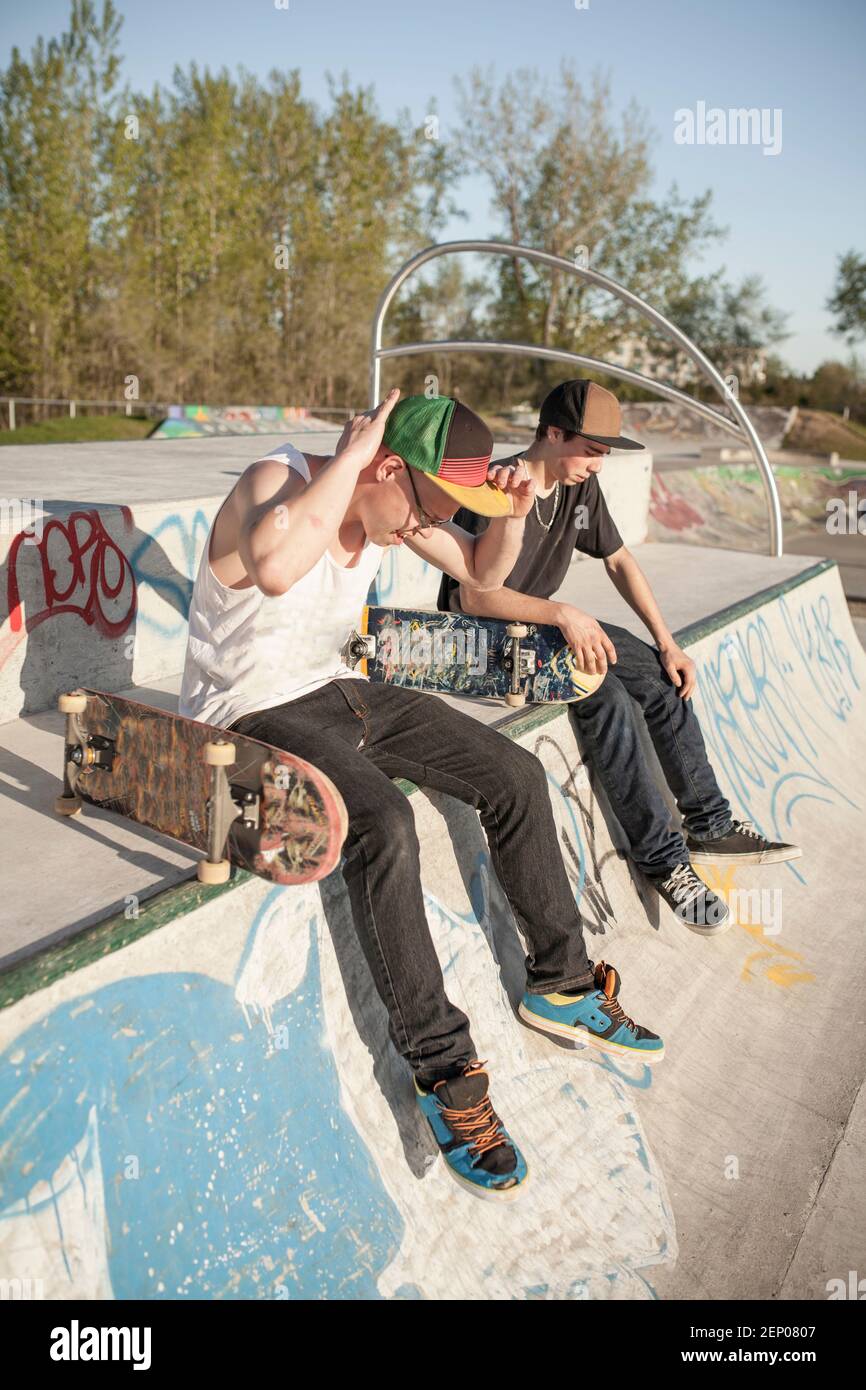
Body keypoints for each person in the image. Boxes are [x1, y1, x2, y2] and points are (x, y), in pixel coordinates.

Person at [179, 390, 663, 1201]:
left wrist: (511, 514)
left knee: (514, 775)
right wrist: (347, 459)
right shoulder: (276, 482)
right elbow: (275, 567)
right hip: (247, 713)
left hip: (340, 688)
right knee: (384, 821)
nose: (417, 531)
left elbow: (480, 574)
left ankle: (563, 984)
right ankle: (445, 1074)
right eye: (422, 511)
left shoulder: (394, 504)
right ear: (387, 468)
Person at [438, 380, 800, 935]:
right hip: (487, 638)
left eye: (604, 454)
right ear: (552, 433)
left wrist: (667, 641)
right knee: (606, 698)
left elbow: (620, 560)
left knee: (660, 676)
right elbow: (472, 597)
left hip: (552, 622)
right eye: (591, 450)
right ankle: (665, 863)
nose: (597, 465)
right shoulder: (497, 485)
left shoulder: (578, 488)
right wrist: (563, 613)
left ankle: (710, 824)